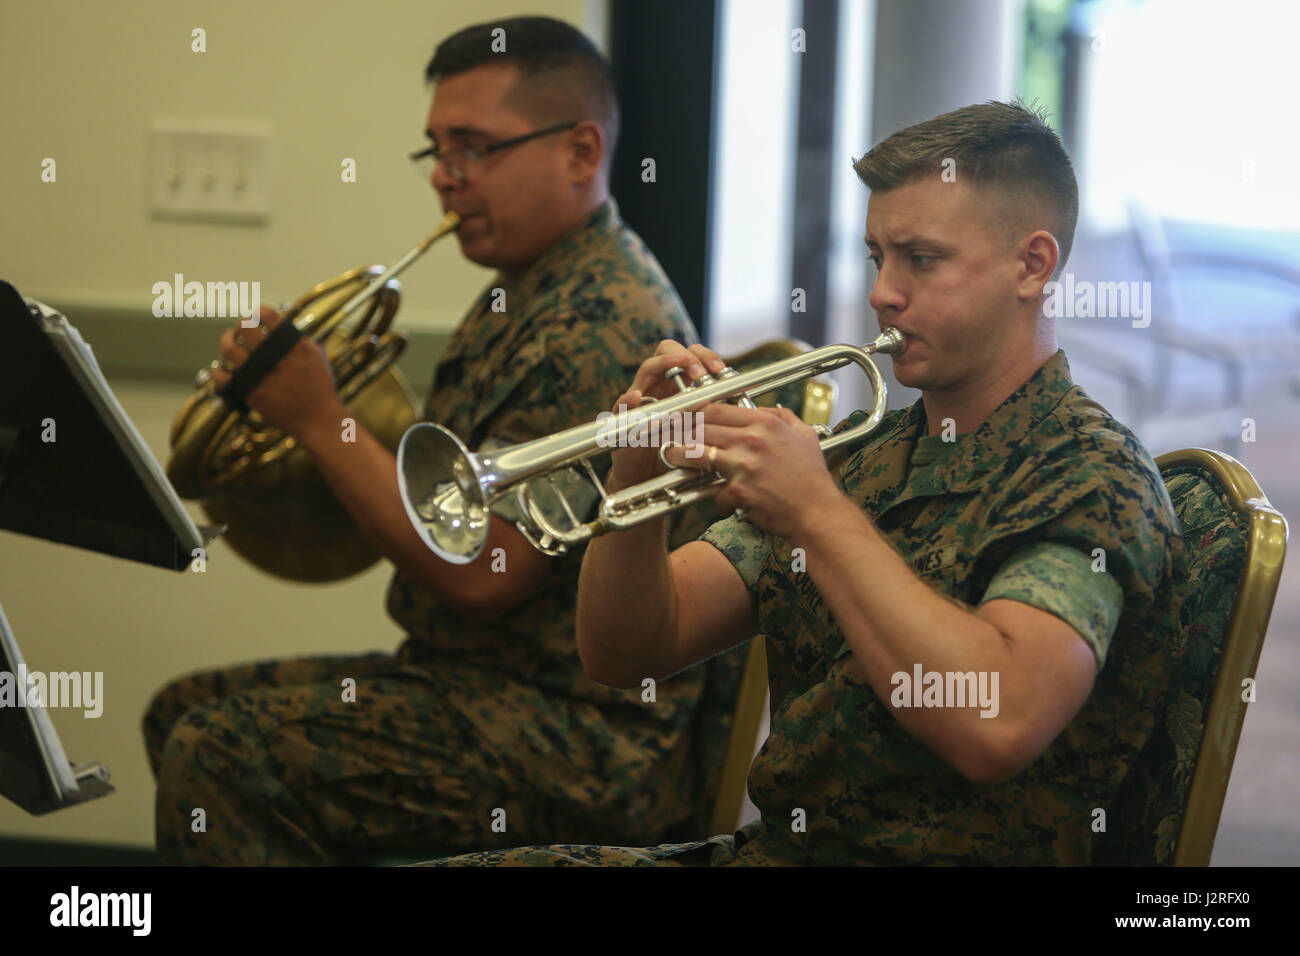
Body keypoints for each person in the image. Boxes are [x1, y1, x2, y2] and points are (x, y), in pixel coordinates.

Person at [417, 100, 1187, 867]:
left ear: (1032, 266)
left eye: (921, 259)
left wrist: (818, 515)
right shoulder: (865, 458)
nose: (884, 291)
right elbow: (630, 652)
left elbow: (996, 721)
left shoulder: (1090, 475)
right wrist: (634, 472)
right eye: (876, 256)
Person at [143, 16, 739, 865]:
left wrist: (319, 417)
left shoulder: (599, 319)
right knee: (179, 715)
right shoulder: (534, 285)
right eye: (437, 152)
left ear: (579, 152)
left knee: (217, 751)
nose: (446, 182)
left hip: (581, 734)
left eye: (475, 149)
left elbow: (482, 572)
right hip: (474, 682)